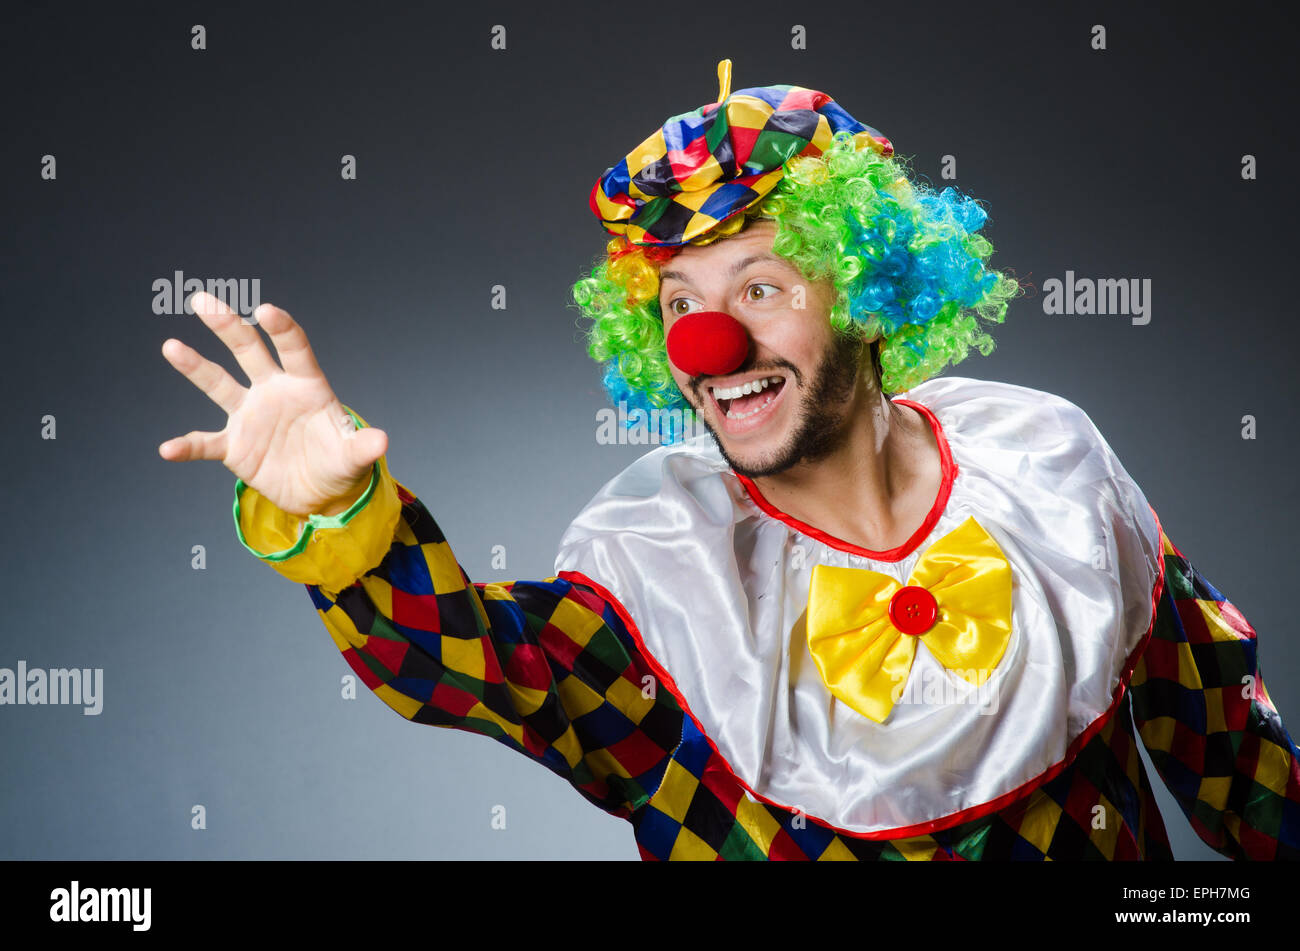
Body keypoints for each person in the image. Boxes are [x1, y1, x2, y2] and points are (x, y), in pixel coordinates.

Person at [159, 61, 1300, 860]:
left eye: (759, 288)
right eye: (678, 306)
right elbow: (468, 668)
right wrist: (350, 518)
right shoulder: (655, 571)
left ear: (865, 291)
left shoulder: (1044, 460)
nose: (709, 346)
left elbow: (1235, 761)